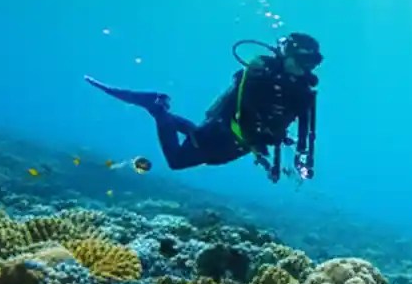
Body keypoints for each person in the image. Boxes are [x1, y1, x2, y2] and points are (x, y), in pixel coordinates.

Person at [85, 33, 322, 183]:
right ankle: (157, 108)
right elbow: (243, 108)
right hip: (225, 131)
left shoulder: (303, 90)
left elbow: (307, 127)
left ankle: (165, 110)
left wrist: (303, 156)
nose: (306, 68)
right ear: (287, 55)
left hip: (244, 141)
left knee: (208, 153)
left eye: (312, 63)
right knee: (177, 161)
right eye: (302, 60)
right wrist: (259, 145)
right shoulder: (260, 74)